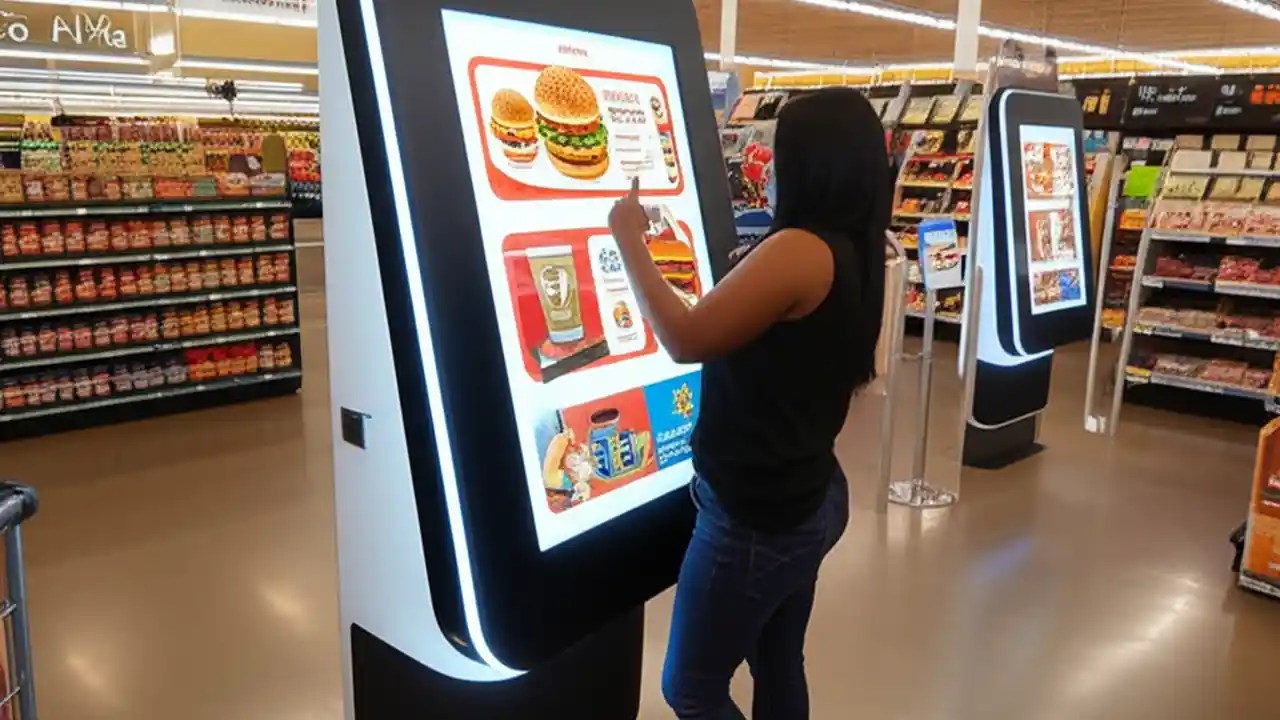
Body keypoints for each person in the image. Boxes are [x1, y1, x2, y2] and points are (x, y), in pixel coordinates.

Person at [606, 86, 892, 720]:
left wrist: (627, 239)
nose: (766, 157)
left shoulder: (800, 250)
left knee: (692, 685)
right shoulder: (857, 247)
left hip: (757, 518)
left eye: (777, 147)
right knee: (777, 659)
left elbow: (685, 338)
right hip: (808, 492)